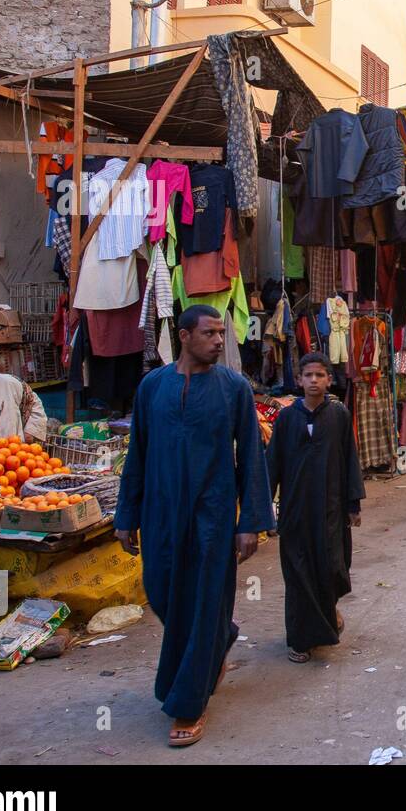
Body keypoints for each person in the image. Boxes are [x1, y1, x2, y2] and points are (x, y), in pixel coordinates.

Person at [113, 305, 274, 748]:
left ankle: (189, 702)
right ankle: (221, 636)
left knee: (203, 601)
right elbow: (138, 454)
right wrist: (127, 515)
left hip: (213, 512)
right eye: (210, 333)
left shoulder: (234, 388)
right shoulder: (152, 387)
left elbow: (251, 458)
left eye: (222, 333)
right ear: (183, 336)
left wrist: (251, 522)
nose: (220, 341)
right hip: (161, 512)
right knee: (163, 593)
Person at [266, 354, 365, 664]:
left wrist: (353, 503)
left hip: (331, 510)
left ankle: (328, 613)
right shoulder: (285, 419)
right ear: (299, 380)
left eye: (320, 375)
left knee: (332, 566)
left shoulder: (338, 415)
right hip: (295, 511)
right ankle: (300, 639)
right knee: (298, 574)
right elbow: (272, 466)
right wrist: (265, 511)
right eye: (307, 375)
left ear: (328, 379)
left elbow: (350, 459)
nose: (313, 380)